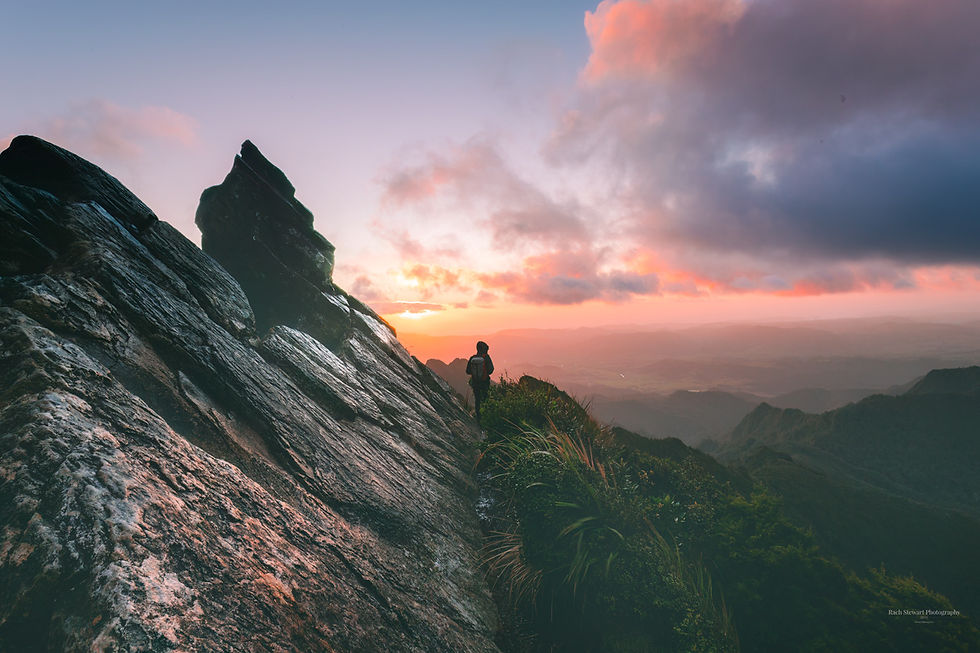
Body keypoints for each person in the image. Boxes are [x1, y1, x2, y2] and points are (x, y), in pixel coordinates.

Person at [465, 340, 494, 422]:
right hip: (485, 382)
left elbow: (467, 371)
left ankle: (478, 418)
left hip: (475, 383)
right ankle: (486, 417)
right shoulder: (486, 357)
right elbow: (491, 370)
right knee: (485, 398)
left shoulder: (472, 358)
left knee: (477, 400)